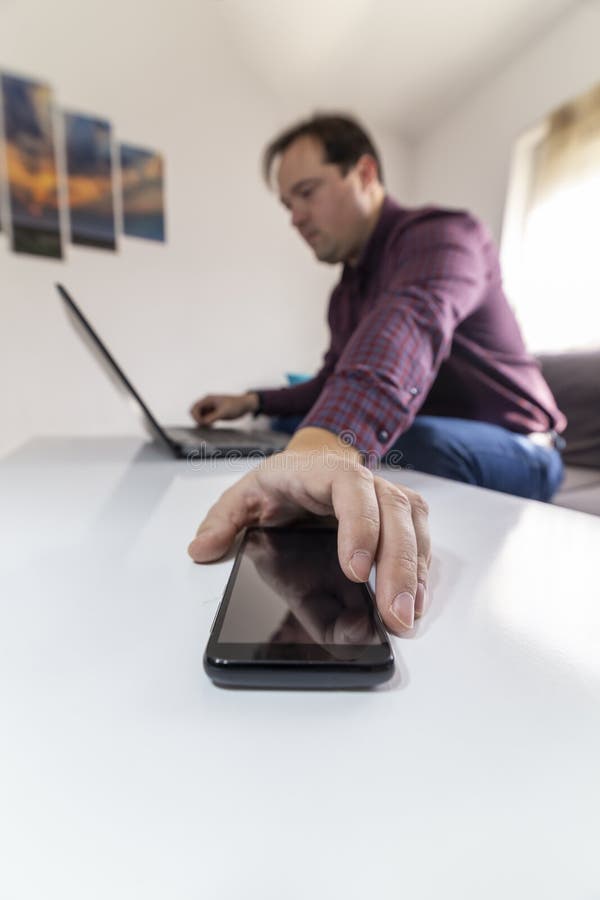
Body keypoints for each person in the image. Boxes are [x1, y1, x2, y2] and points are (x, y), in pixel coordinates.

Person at [188, 113, 565, 634]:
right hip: (427, 432)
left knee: (393, 440)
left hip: (522, 447)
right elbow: (329, 382)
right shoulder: (345, 295)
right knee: (302, 431)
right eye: (287, 204)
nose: (295, 216)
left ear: (364, 174)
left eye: (306, 192)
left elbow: (406, 324)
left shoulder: (444, 236)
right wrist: (250, 401)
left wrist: (315, 452)